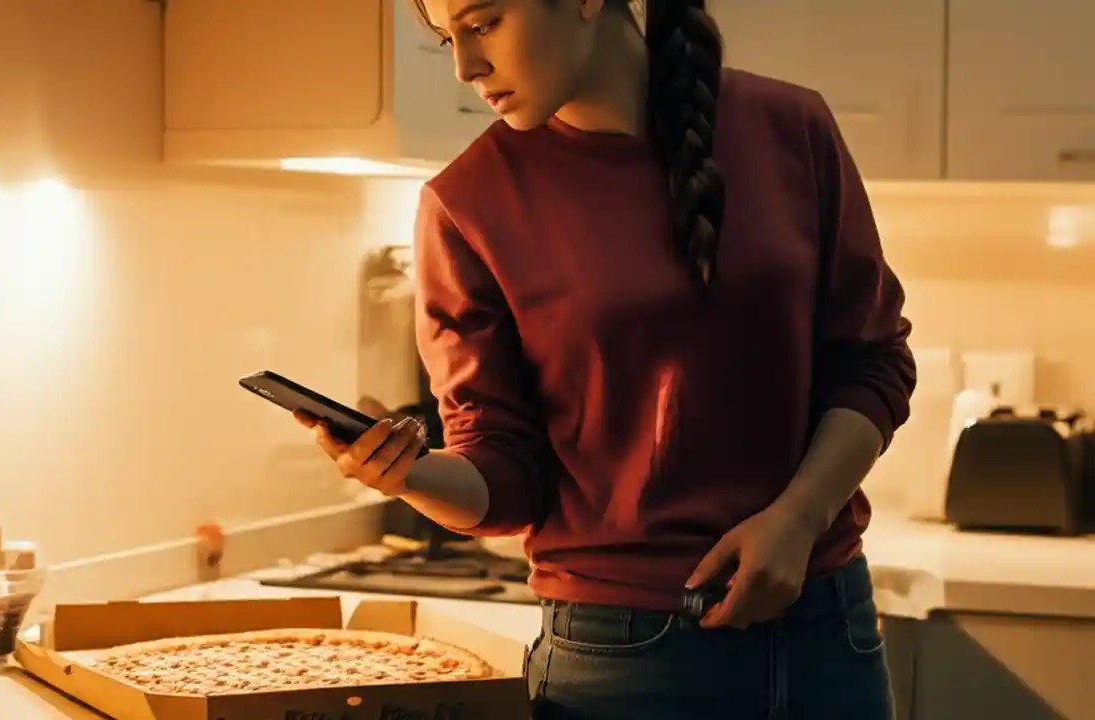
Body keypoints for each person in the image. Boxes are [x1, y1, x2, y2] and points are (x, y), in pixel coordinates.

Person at [295, 1, 917, 717]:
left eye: (484, 22)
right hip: (624, 658)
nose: (466, 68)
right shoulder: (466, 204)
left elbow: (873, 361)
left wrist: (800, 519)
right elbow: (506, 473)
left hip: (827, 635)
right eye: (447, 41)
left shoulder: (792, 127)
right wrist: (410, 474)